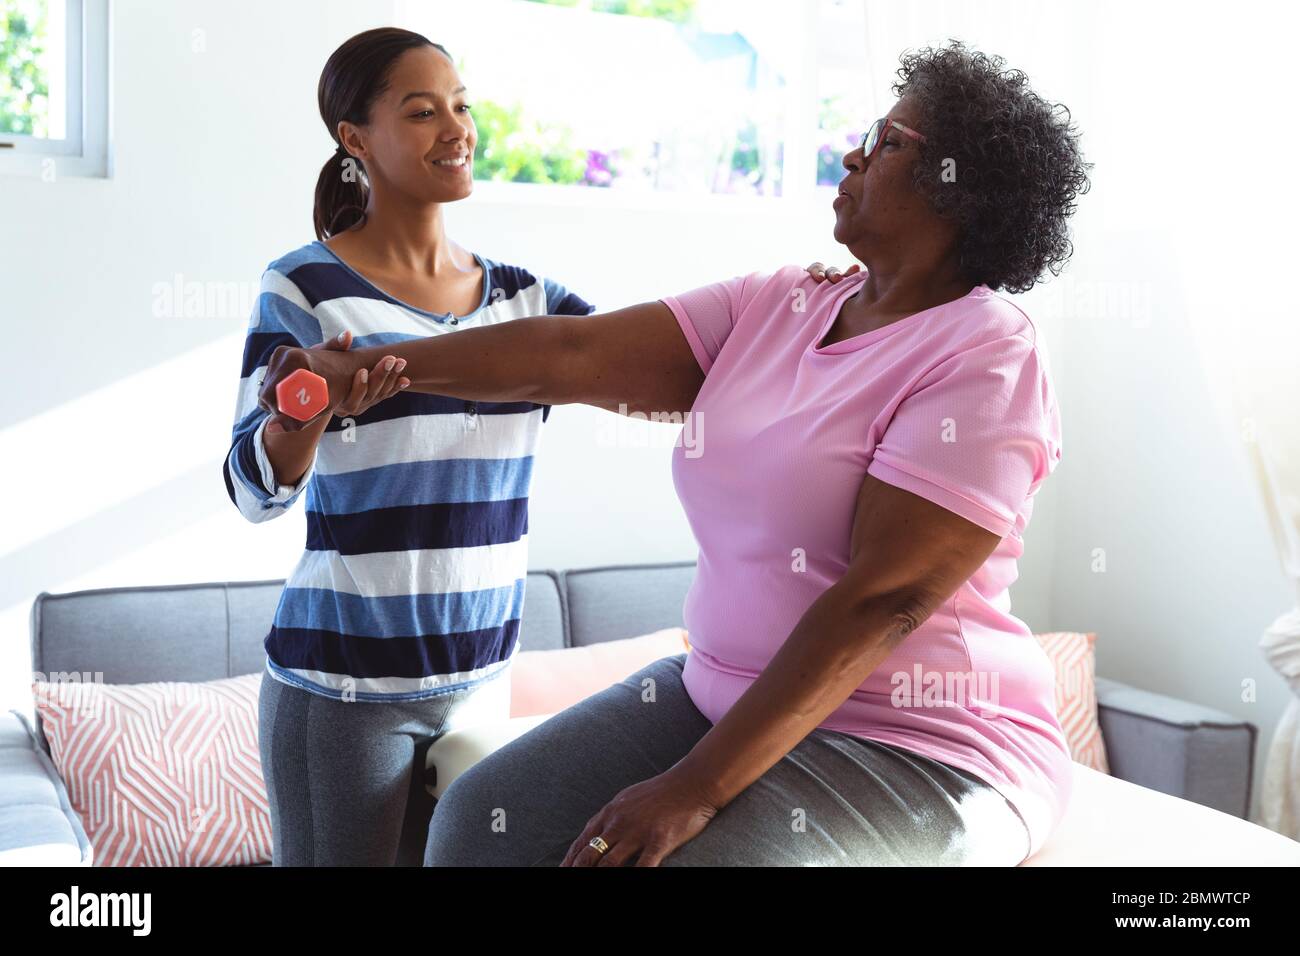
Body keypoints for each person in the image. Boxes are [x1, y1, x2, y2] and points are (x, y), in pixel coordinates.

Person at [258, 40, 1091, 866]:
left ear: (955, 186)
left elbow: (887, 599)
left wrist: (692, 790)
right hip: (715, 693)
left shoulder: (986, 351)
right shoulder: (782, 303)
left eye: (884, 140)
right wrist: (359, 370)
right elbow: (569, 357)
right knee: (483, 821)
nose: (851, 152)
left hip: (920, 740)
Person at [223, 27, 599, 866]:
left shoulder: (527, 300)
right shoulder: (306, 286)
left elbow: (653, 368)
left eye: (461, 106)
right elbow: (252, 487)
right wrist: (305, 412)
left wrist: (805, 310)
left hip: (482, 678)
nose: (456, 129)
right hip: (345, 687)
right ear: (356, 139)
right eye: (423, 111)